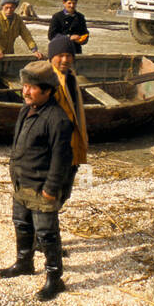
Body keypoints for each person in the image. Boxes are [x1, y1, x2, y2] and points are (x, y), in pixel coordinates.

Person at [0, 60, 74, 301]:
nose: (25, 91)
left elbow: (62, 159)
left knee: (47, 234)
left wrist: (51, 189)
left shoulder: (57, 119)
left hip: (42, 187)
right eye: (24, 86)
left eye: (31, 87)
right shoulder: (26, 109)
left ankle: (55, 278)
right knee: (21, 223)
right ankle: (24, 262)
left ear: (48, 90)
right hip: (22, 181)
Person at [48, 34, 87, 205]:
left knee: (63, 193)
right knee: (50, 194)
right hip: (54, 149)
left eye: (69, 56)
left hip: (72, 144)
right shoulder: (48, 80)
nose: (65, 60)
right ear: (51, 57)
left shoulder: (71, 77)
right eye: (60, 56)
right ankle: (45, 230)